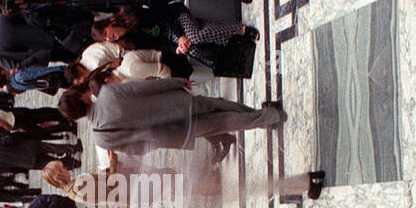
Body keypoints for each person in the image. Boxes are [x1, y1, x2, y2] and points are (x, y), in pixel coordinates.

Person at [61, 77, 286, 158]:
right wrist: (176, 82)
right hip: (177, 105)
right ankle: (267, 116)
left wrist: (156, 139)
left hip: (174, 134)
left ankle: (266, 116)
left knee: (222, 124)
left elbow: (136, 149)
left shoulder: (100, 139)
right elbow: (146, 87)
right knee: (218, 106)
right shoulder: (108, 94)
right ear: (81, 99)